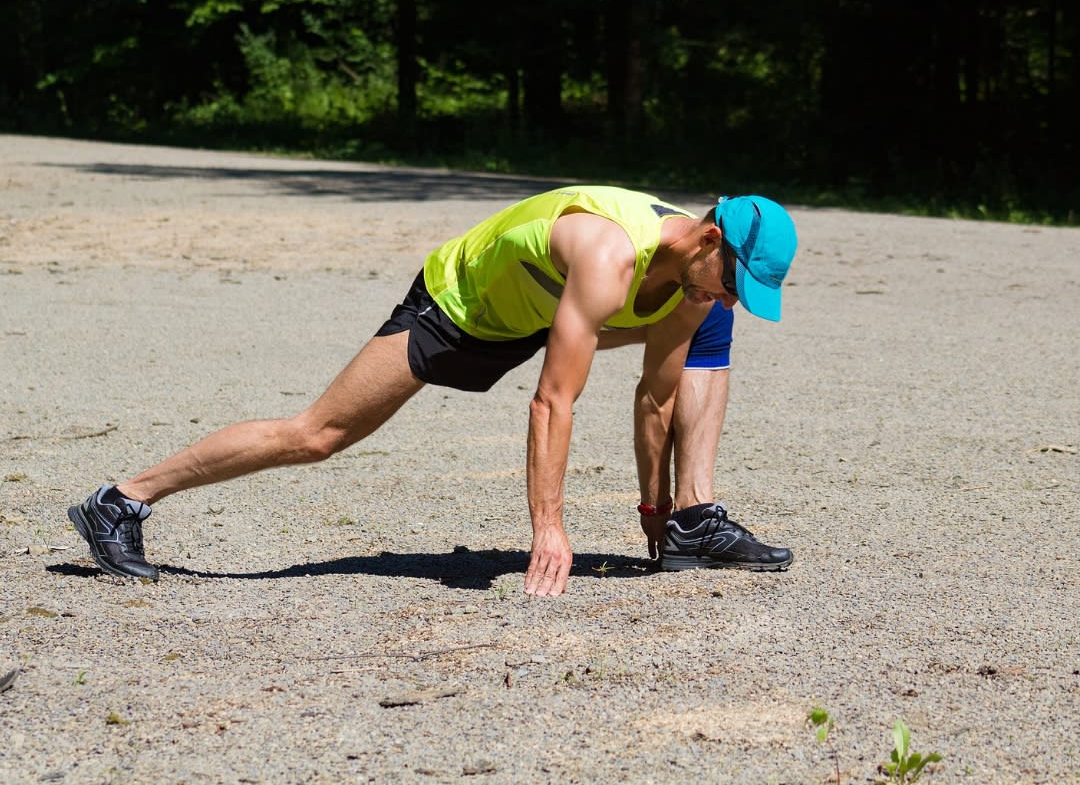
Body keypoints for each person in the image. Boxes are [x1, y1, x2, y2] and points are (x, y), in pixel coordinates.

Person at [67, 185, 798, 596]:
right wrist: (548, 526)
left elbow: (656, 400)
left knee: (703, 344)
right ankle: (121, 498)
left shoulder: (694, 295)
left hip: (543, 314)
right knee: (320, 434)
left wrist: (656, 512)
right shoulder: (608, 252)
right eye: (736, 283)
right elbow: (552, 403)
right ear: (709, 241)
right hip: (459, 306)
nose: (733, 301)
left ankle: (694, 525)